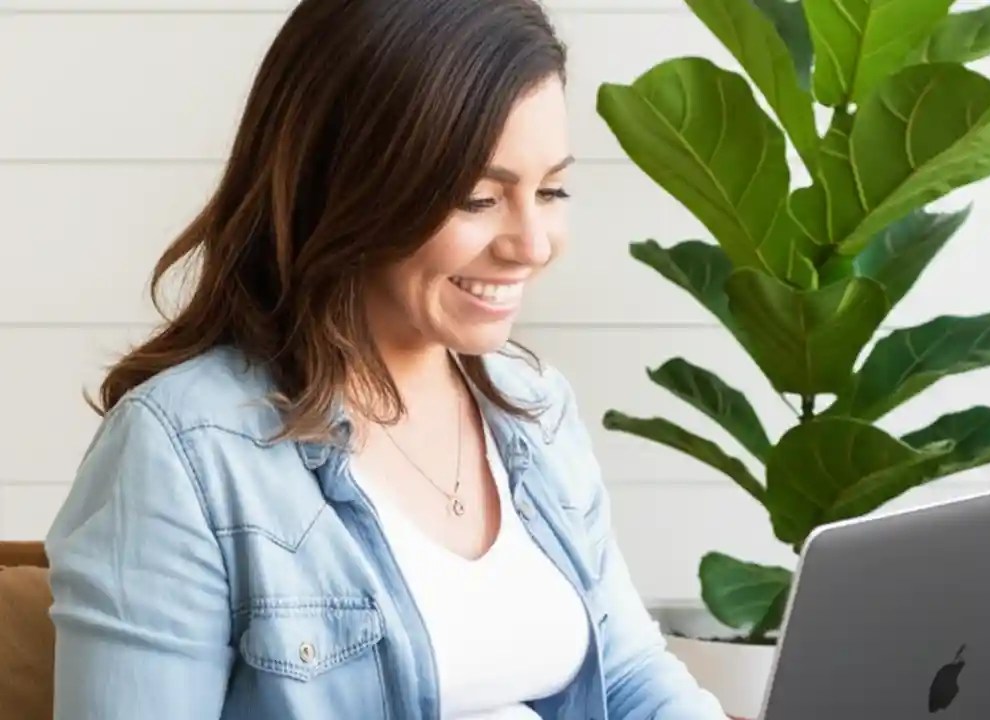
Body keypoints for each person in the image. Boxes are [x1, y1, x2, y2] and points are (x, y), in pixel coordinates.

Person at [42, 0, 729, 718]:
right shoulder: (183, 453)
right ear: (347, 187)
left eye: (551, 190)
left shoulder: (535, 408)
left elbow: (628, 676)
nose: (532, 244)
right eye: (477, 198)